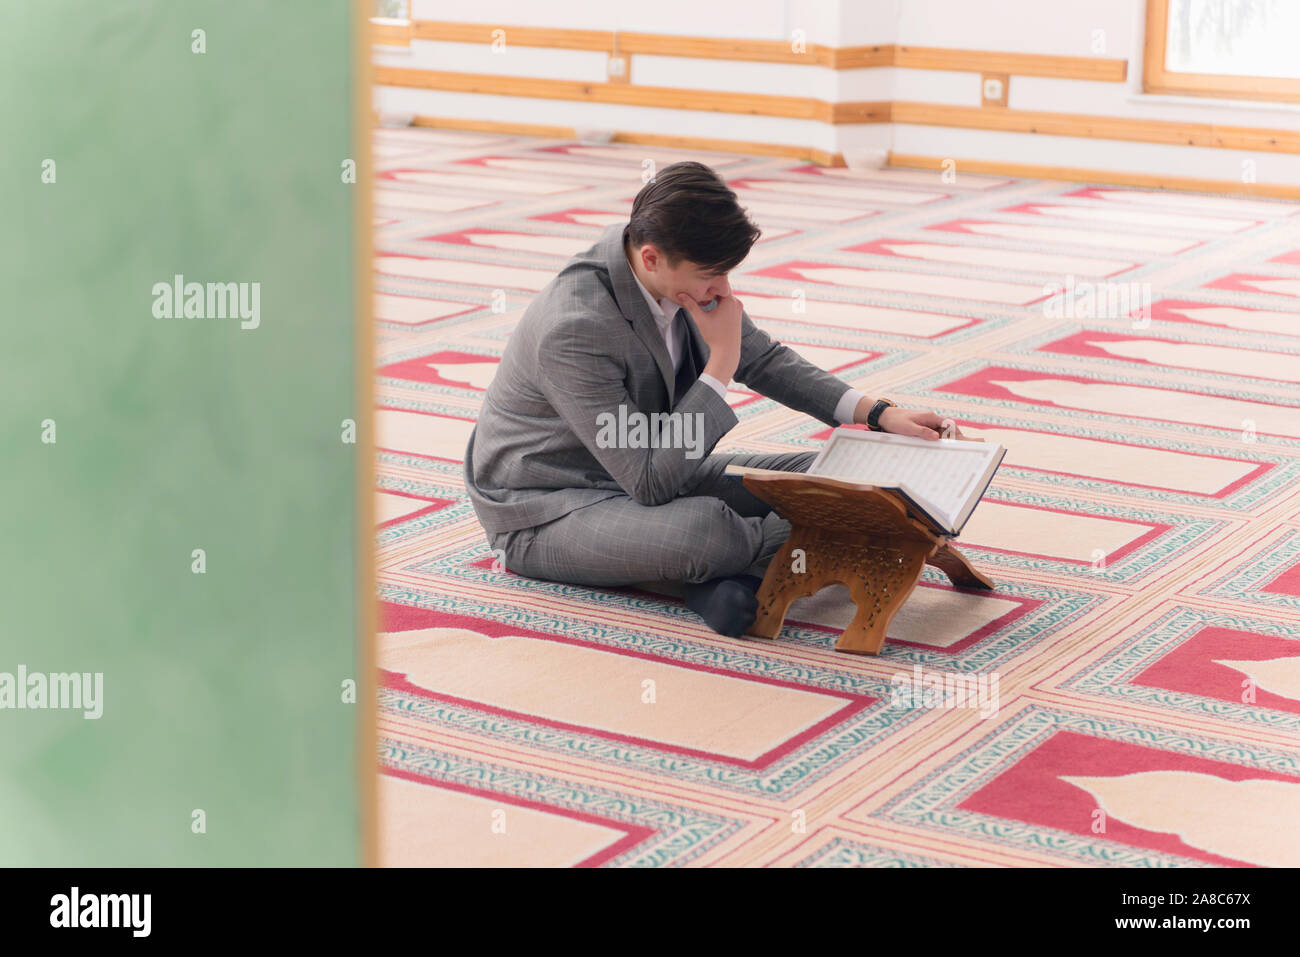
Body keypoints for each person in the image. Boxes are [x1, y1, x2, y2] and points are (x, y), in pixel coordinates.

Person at [463, 161, 962, 636]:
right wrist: (721, 358)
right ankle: (737, 564)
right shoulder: (574, 329)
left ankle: (723, 583)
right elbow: (649, 483)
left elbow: (764, 360)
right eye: (711, 274)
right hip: (549, 508)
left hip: (657, 465)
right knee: (707, 533)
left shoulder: (673, 268)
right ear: (652, 257)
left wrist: (878, 414)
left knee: (838, 475)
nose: (724, 290)